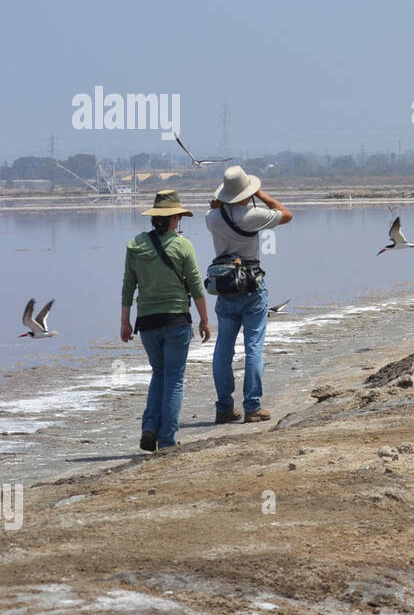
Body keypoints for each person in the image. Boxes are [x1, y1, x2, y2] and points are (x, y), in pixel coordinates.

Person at [121, 190, 211, 451]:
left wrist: (125, 322)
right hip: (176, 322)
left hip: (147, 323)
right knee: (174, 378)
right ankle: (168, 439)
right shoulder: (183, 246)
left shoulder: (135, 245)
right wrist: (205, 320)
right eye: (178, 218)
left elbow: (128, 286)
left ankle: (149, 427)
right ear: (175, 219)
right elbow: (195, 286)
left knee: (158, 374)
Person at [205, 166, 293, 424]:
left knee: (223, 349)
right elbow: (286, 215)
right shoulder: (253, 215)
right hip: (252, 285)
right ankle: (252, 406)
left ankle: (224, 407)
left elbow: (213, 209)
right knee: (253, 347)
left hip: (224, 287)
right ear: (248, 191)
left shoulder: (212, 218)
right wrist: (262, 195)